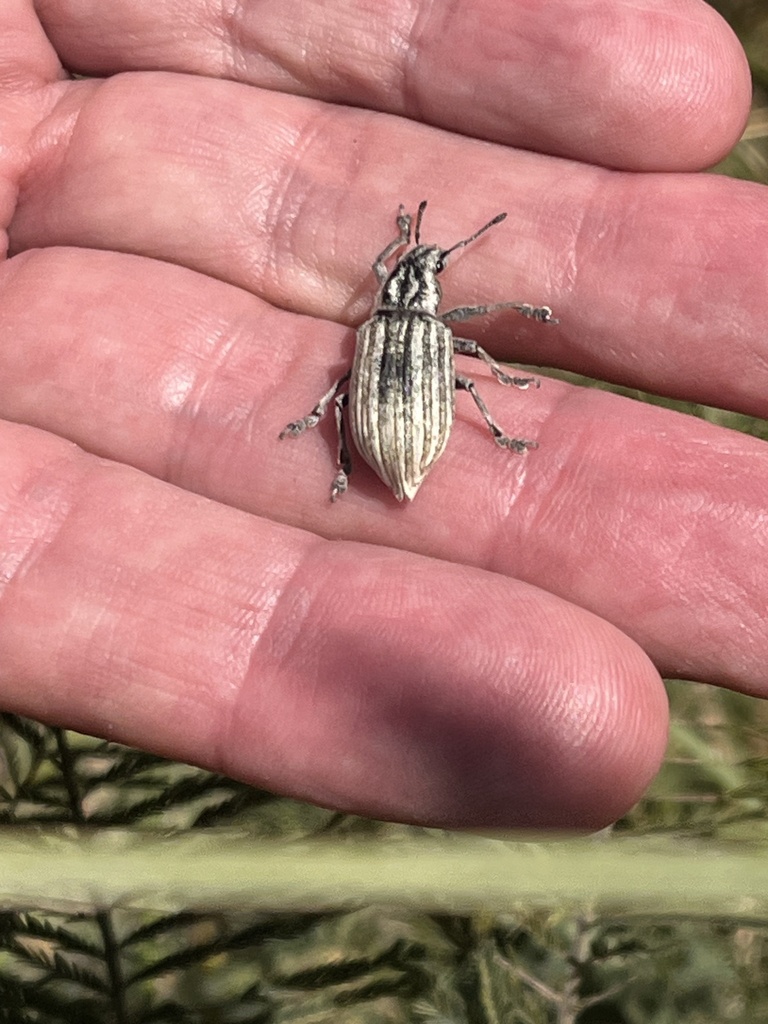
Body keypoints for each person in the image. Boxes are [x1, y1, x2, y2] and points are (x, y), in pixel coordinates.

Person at [0, 0, 763, 828]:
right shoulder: (418, 325)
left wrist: (416, 257)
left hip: (394, 419)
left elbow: (375, 353)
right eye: (417, 262)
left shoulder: (381, 324)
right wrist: (455, 312)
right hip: (409, 414)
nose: (422, 271)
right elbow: (420, 349)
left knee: (440, 378)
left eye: (420, 265)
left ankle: (361, 456)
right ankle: (423, 441)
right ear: (414, 285)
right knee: (463, 378)